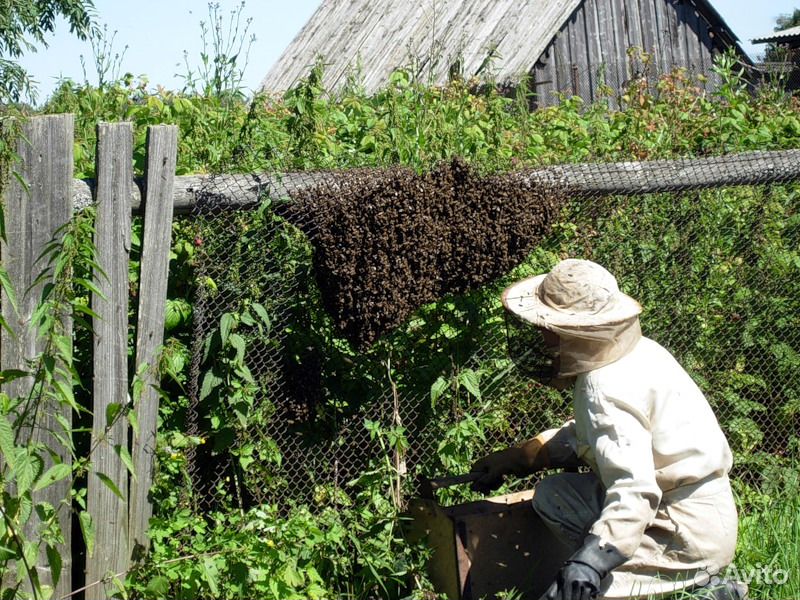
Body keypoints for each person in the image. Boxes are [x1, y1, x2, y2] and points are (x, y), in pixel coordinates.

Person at [469, 259, 746, 600]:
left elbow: (634, 489)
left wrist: (591, 562)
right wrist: (522, 457)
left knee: (577, 589)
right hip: (710, 512)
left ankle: (702, 587)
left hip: (683, 531)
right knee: (555, 495)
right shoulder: (641, 354)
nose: (542, 336)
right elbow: (601, 436)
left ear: (571, 330)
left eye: (548, 328)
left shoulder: (603, 386)